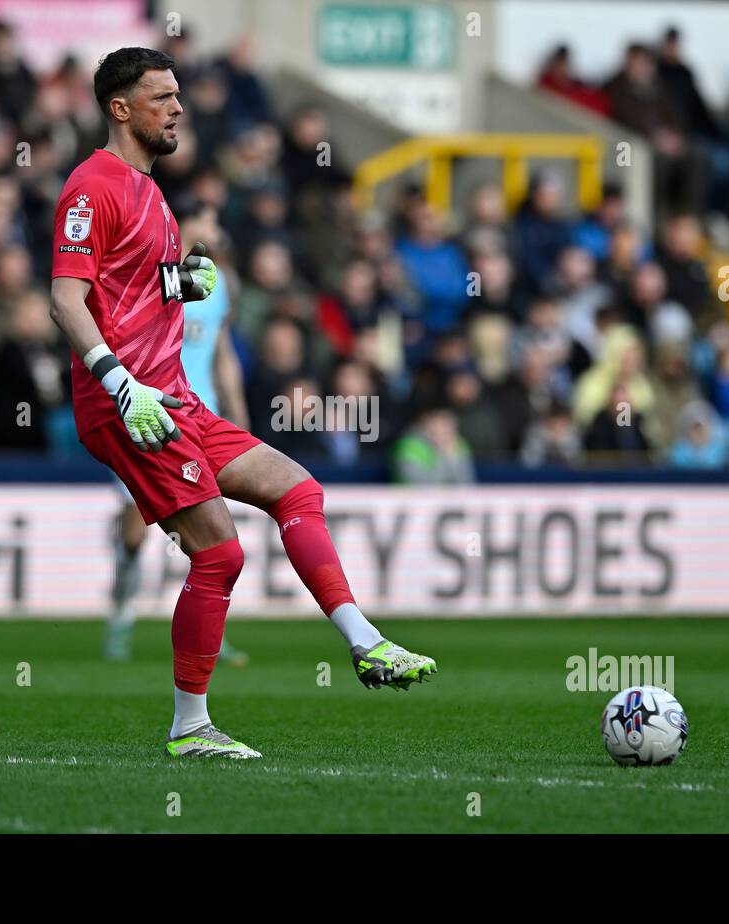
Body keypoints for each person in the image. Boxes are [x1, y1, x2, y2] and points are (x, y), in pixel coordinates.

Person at [49, 48, 436, 760]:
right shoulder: (91, 186)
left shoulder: (151, 194)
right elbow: (65, 298)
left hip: (176, 398)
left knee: (298, 490)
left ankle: (365, 642)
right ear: (120, 108)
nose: (179, 108)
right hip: (133, 404)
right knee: (220, 556)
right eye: (162, 97)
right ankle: (189, 727)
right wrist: (116, 379)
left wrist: (183, 281)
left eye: (179, 96)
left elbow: (135, 291)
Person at [103, 200, 250, 667]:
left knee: (207, 537)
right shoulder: (152, 274)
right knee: (135, 533)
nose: (213, 227)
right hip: (150, 411)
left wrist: (237, 411)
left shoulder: (219, 284)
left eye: (216, 220)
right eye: (205, 219)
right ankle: (120, 616)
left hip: (199, 414)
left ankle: (211, 633)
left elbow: (222, 351)